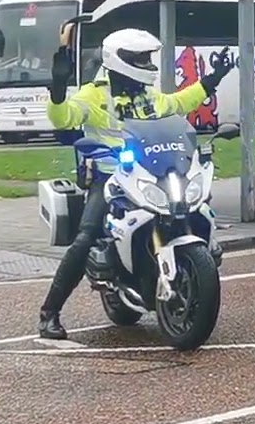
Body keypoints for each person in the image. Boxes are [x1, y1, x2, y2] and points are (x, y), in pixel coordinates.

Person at [37, 27, 236, 340]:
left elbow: (177, 105)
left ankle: (192, 265)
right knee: (86, 236)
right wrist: (58, 89)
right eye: (141, 59)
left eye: (147, 58)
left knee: (197, 206)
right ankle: (50, 313)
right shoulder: (94, 95)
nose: (147, 64)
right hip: (108, 175)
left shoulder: (147, 96)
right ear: (120, 61)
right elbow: (64, 118)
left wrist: (212, 80)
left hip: (151, 173)